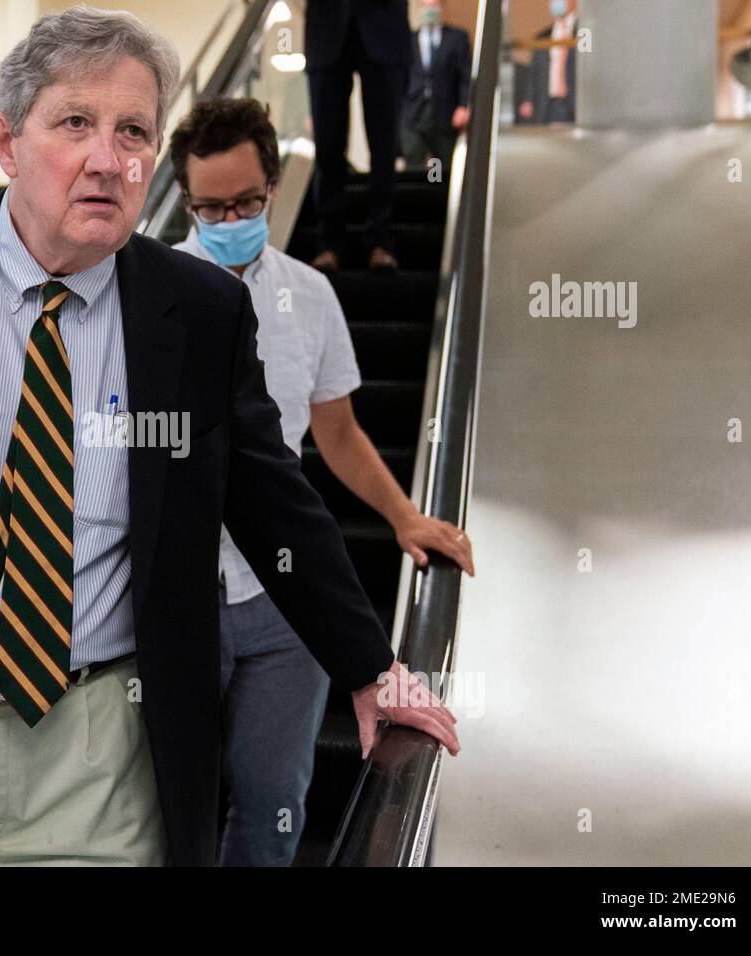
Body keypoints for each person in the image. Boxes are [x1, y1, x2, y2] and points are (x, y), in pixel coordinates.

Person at [0, 4, 459, 869]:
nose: (110, 158)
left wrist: (371, 667)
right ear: (6, 140)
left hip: (99, 754)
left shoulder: (201, 315)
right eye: (76, 123)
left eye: (134, 130)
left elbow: (274, 503)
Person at [168, 97, 475, 866]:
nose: (229, 216)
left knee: (274, 804)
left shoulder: (311, 295)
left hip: (283, 602)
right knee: (171, 809)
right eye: (211, 206)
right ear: (185, 201)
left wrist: (404, 516)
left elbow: (337, 434)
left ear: (275, 184)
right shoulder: (151, 293)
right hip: (176, 598)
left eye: (245, 201)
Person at [304, 0, 412, 273]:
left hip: (385, 29)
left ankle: (381, 241)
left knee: (384, 145)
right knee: (327, 147)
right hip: (326, 30)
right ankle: (329, 243)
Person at [400, 0, 471, 170]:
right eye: (426, 5)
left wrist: (463, 106)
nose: (430, 10)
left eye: (434, 5)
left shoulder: (456, 39)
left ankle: (437, 194)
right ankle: (418, 196)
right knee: (414, 163)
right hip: (414, 114)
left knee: (439, 168)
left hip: (444, 115)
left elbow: (465, 77)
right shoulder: (408, 40)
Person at [518, 0, 578, 124]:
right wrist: (528, 99)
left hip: (574, 103)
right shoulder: (543, 37)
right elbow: (535, 71)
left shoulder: (584, 32)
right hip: (548, 104)